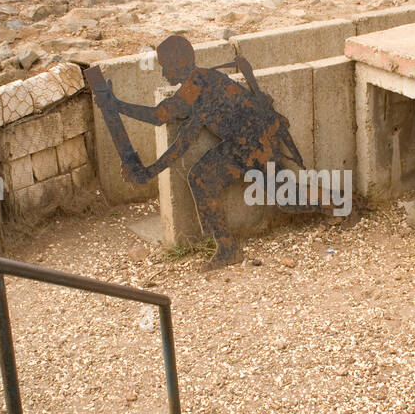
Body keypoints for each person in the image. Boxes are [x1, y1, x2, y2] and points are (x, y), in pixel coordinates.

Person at [85, 36, 342, 266]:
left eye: (166, 65)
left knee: (287, 200)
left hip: (256, 143)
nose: (163, 71)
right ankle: (227, 248)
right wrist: (151, 171)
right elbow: (183, 142)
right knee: (201, 178)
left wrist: (115, 104)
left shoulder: (199, 84)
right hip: (238, 145)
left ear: (182, 61)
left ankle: (342, 202)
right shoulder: (195, 87)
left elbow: (158, 116)